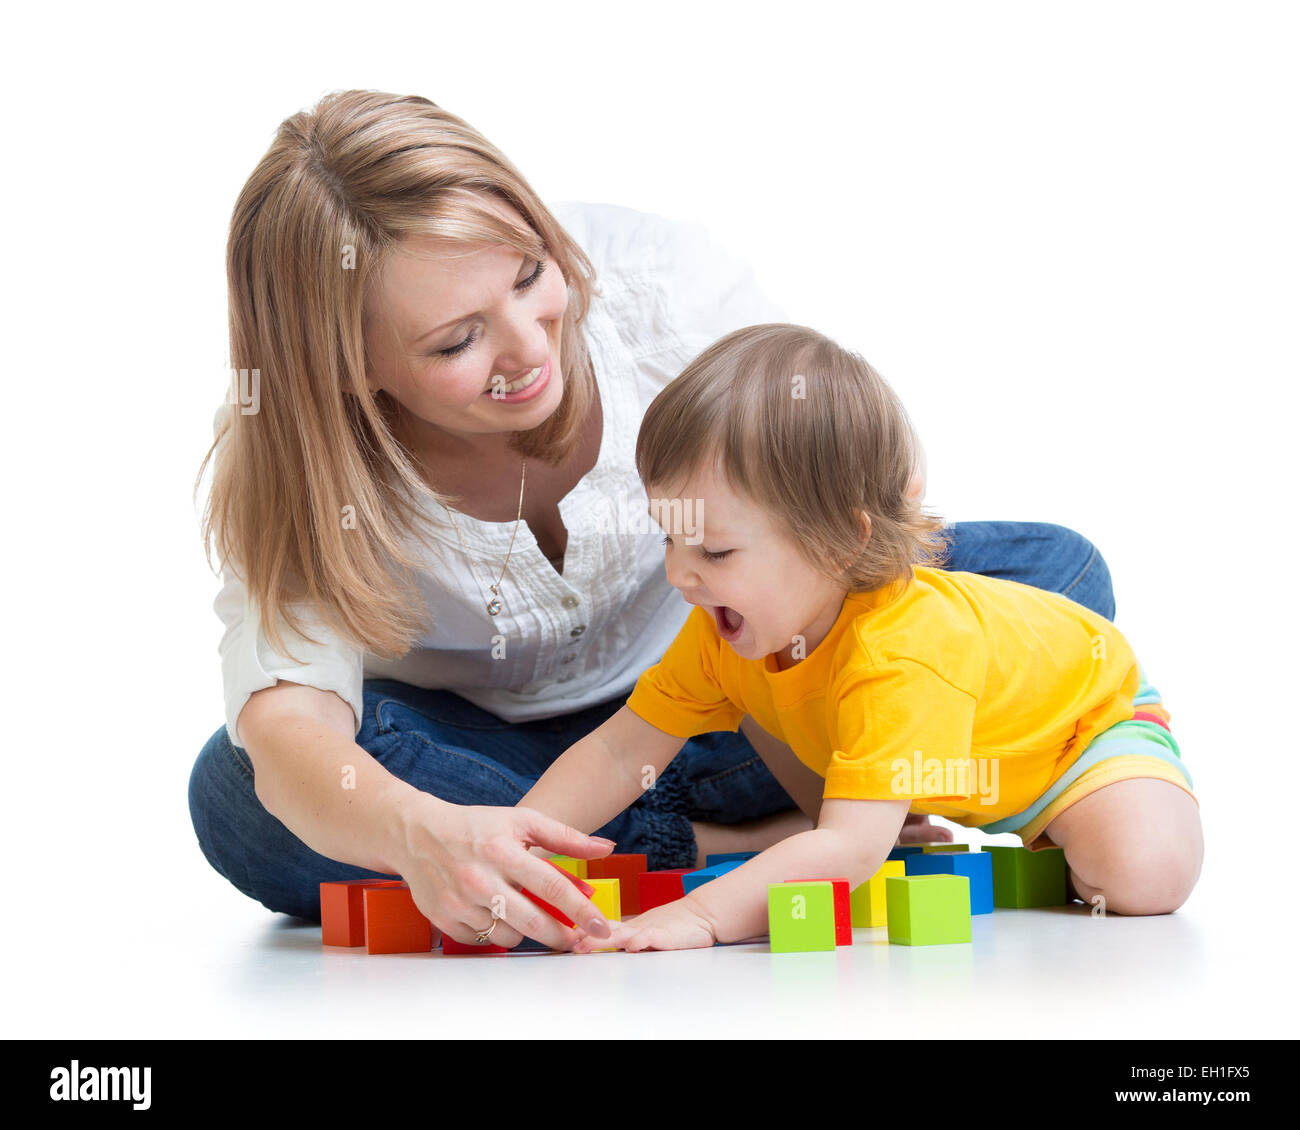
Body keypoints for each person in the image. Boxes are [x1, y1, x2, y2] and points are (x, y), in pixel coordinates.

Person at [188, 89, 1119, 953]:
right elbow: (289, 726)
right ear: (346, 369)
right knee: (242, 793)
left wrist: (842, 563)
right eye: (457, 341)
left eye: (528, 273)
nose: (530, 344)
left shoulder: (662, 288)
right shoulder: (295, 449)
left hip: (749, 698)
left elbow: (840, 464)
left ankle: (765, 826)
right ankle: (764, 836)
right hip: (493, 761)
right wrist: (417, 828)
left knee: (1052, 577)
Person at [517, 323, 1202, 953]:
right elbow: (617, 750)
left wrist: (697, 916)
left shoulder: (901, 653)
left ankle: (1094, 803)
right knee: (770, 708)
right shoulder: (724, 631)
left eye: (715, 552)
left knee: (1143, 878)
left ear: (843, 541)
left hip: (1078, 729)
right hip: (915, 748)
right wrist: (517, 841)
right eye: (669, 537)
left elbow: (847, 854)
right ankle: (883, 802)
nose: (679, 574)